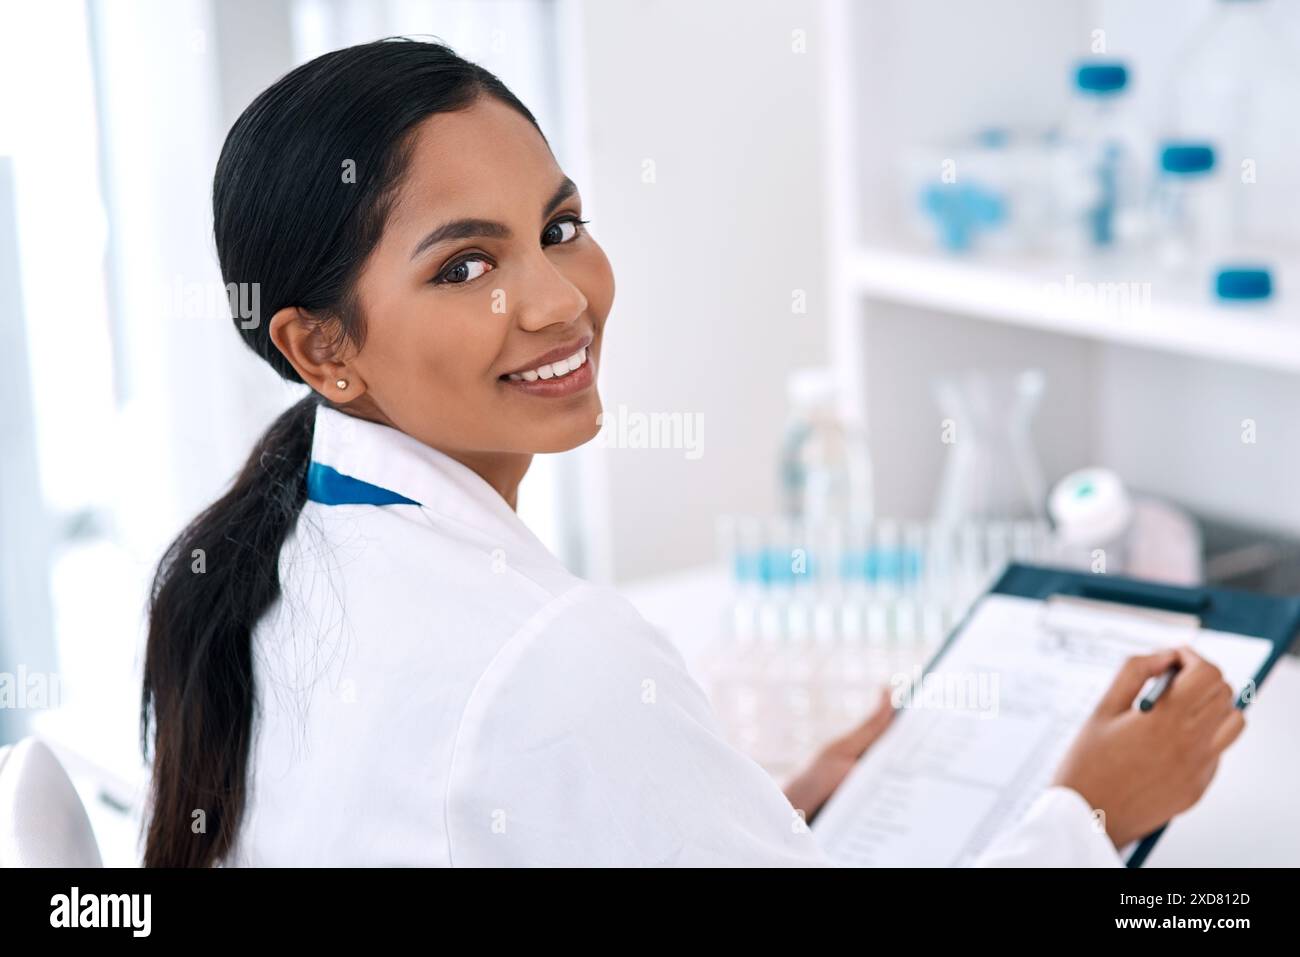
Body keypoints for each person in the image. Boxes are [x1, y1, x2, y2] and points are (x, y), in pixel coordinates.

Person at [140, 38, 1245, 867]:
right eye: (464, 267)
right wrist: (1092, 814)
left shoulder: (284, 564)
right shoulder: (551, 656)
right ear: (322, 346)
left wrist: (762, 807)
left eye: (558, 228)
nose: (557, 299)